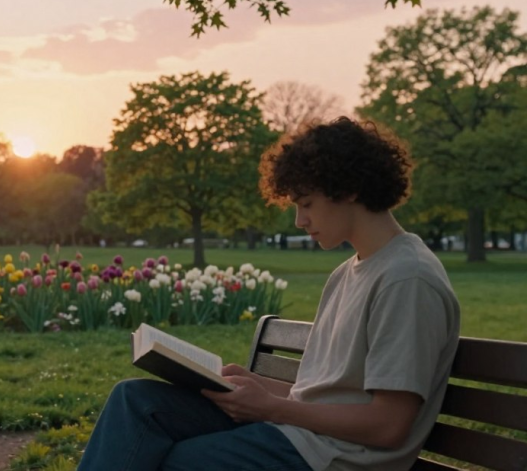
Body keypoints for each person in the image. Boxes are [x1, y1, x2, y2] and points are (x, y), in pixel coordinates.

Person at [77, 117, 460, 471]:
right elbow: (321, 391)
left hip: (334, 456)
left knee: (179, 462)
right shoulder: (349, 272)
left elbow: (388, 425)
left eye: (306, 204)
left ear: (348, 190)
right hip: (303, 433)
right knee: (136, 403)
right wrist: (256, 388)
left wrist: (273, 408)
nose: (300, 220)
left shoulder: (407, 279)